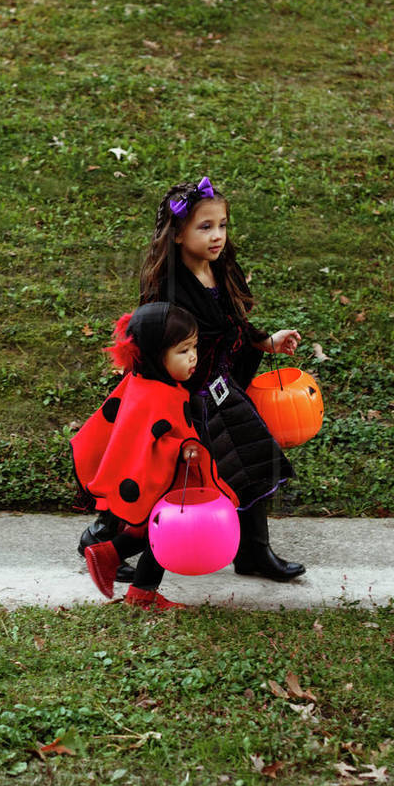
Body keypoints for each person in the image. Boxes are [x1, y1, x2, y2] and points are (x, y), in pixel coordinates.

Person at [138, 177, 306, 582]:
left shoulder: (223, 272)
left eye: (223, 225)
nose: (218, 236)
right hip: (189, 398)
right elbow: (157, 348)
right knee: (171, 479)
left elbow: (234, 327)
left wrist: (267, 342)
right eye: (205, 227)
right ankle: (104, 540)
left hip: (222, 390)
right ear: (177, 234)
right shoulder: (169, 289)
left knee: (250, 463)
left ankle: (253, 553)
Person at [70, 302, 238, 610]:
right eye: (182, 350)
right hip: (156, 478)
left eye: (194, 347)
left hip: (156, 479)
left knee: (151, 531)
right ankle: (141, 594)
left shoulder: (147, 381)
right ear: (154, 354)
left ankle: (109, 555)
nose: (193, 357)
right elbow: (145, 442)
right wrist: (181, 447)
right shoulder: (157, 396)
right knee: (163, 534)